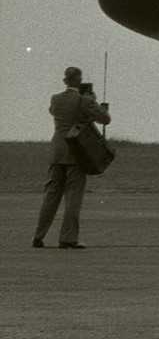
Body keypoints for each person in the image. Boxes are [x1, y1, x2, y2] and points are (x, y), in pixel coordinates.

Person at [32, 66, 111, 250]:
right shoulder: (84, 100)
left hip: (57, 152)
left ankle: (38, 236)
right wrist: (94, 103)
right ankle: (68, 238)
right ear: (79, 80)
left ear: (65, 81)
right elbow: (105, 119)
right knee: (73, 198)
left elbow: (55, 113)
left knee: (51, 197)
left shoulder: (56, 99)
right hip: (77, 152)